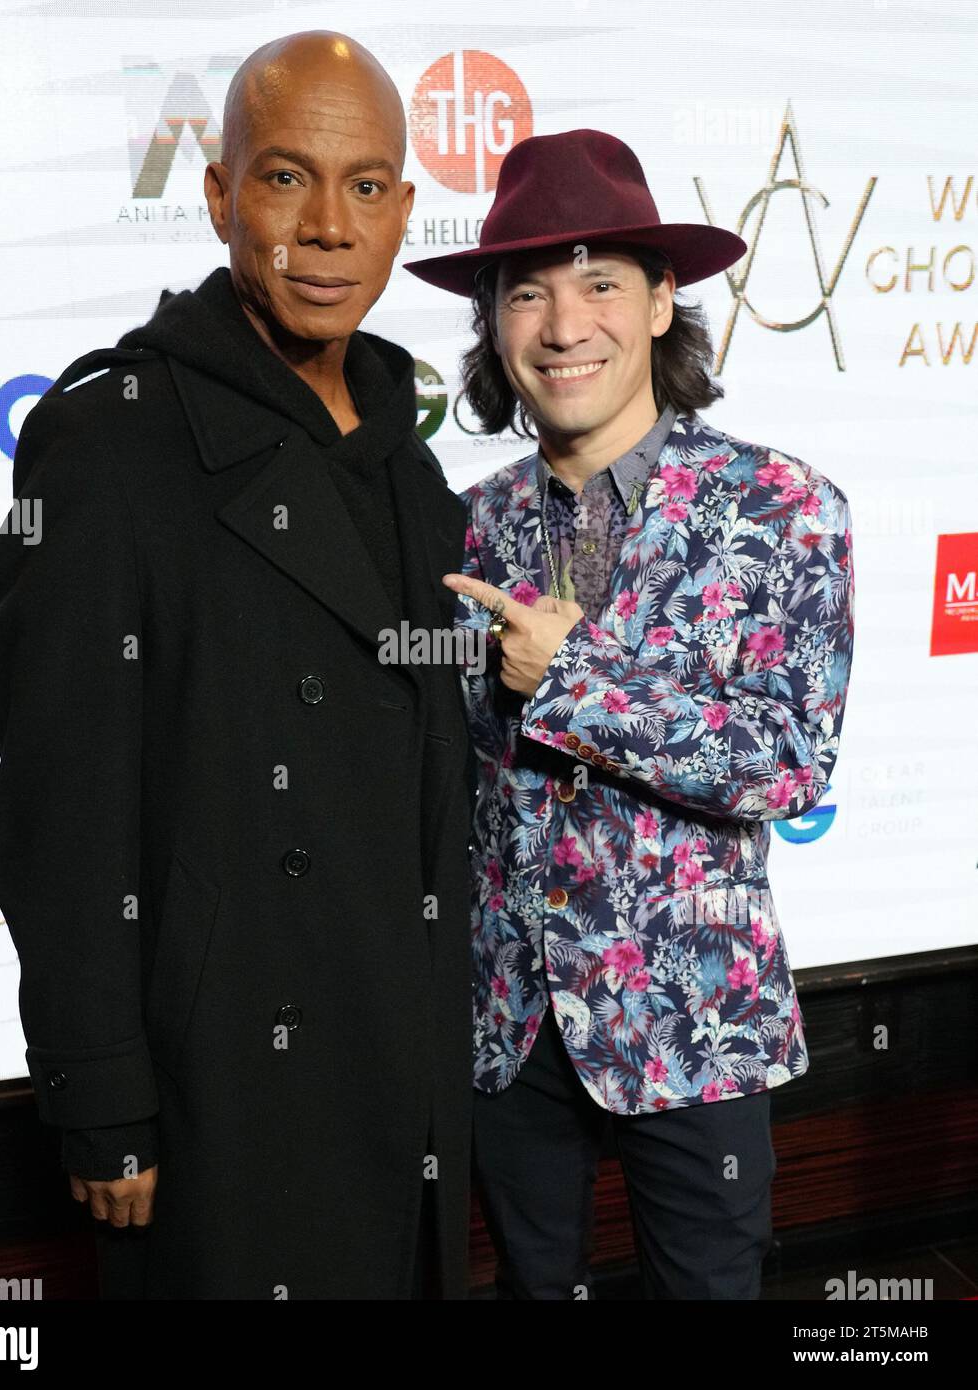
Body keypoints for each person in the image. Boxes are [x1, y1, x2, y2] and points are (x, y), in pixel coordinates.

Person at [0, 30, 473, 1300]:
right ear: (215, 193)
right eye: (283, 178)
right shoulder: (110, 442)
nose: (325, 227)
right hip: (224, 1089)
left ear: (404, 213)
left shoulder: (413, 464)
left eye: (366, 187)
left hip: (403, 1071)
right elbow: (61, 806)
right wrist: (101, 1096)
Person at [404, 128, 855, 1299]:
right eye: (527, 293)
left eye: (600, 283)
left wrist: (570, 684)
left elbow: (789, 761)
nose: (563, 327)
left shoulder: (783, 506)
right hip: (504, 1025)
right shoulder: (461, 525)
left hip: (696, 1021)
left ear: (661, 301)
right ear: (493, 324)